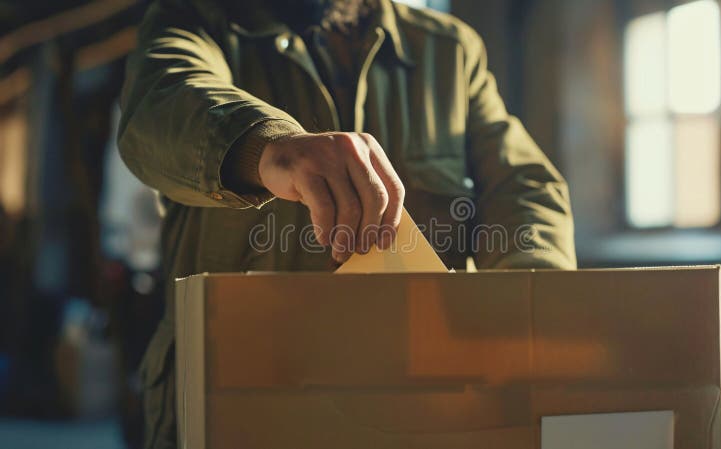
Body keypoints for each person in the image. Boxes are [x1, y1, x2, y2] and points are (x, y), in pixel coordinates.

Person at [118, 0, 576, 447]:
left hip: (416, 408)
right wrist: (267, 147)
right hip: (237, 402)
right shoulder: (195, 16)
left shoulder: (447, 50)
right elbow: (159, 102)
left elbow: (521, 186)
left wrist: (529, 296)